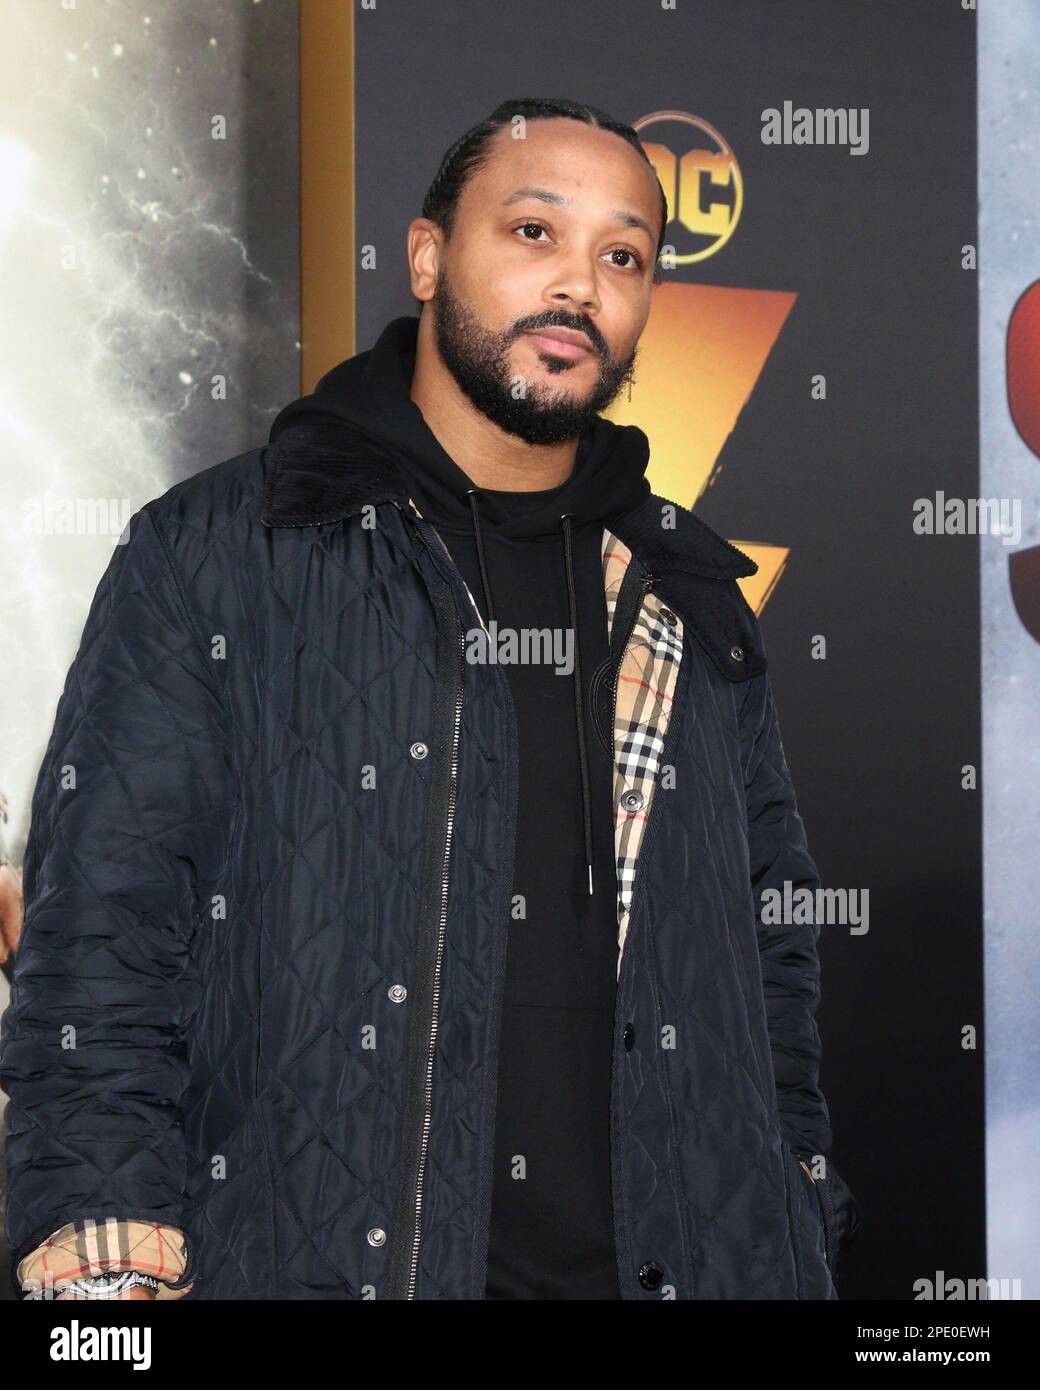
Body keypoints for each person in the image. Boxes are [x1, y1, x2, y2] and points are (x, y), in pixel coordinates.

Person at [0, 96, 860, 1301]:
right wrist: (104, 1273)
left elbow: (770, 970)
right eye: (531, 233)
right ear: (423, 258)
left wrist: (796, 1210)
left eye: (622, 256)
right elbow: (101, 950)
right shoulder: (215, 553)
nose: (579, 285)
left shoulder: (681, 591)